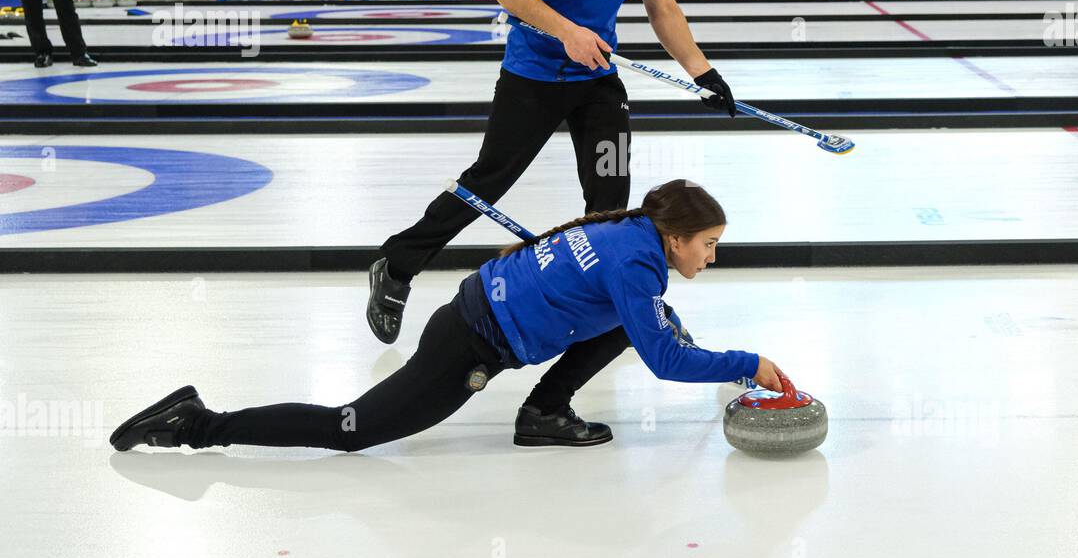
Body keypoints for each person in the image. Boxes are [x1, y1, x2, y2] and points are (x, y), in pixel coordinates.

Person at [367, 0, 738, 354]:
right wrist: (566, 32)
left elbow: (661, 6)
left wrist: (702, 73)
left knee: (611, 196)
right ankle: (396, 266)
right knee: (488, 182)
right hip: (533, 76)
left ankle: (604, 297)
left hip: (598, 81)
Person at [111, 181, 788, 453]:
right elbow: (664, 359)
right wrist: (747, 363)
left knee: (630, 319)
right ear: (675, 239)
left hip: (470, 310)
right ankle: (196, 423)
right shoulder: (636, 264)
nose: (713, 256)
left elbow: (648, 322)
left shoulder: (632, 236)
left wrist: (682, 337)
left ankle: (544, 414)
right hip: (467, 345)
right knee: (352, 430)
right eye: (709, 244)